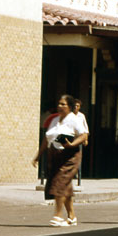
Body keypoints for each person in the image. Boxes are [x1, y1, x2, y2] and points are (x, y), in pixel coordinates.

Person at [44, 95, 89, 227]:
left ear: (69, 107)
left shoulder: (75, 120)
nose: (60, 106)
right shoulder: (55, 120)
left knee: (60, 183)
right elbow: (46, 139)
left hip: (70, 155)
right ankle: (72, 216)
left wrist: (72, 144)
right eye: (59, 103)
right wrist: (38, 155)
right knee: (65, 186)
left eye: (63, 104)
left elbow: (84, 135)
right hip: (56, 154)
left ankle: (58, 215)